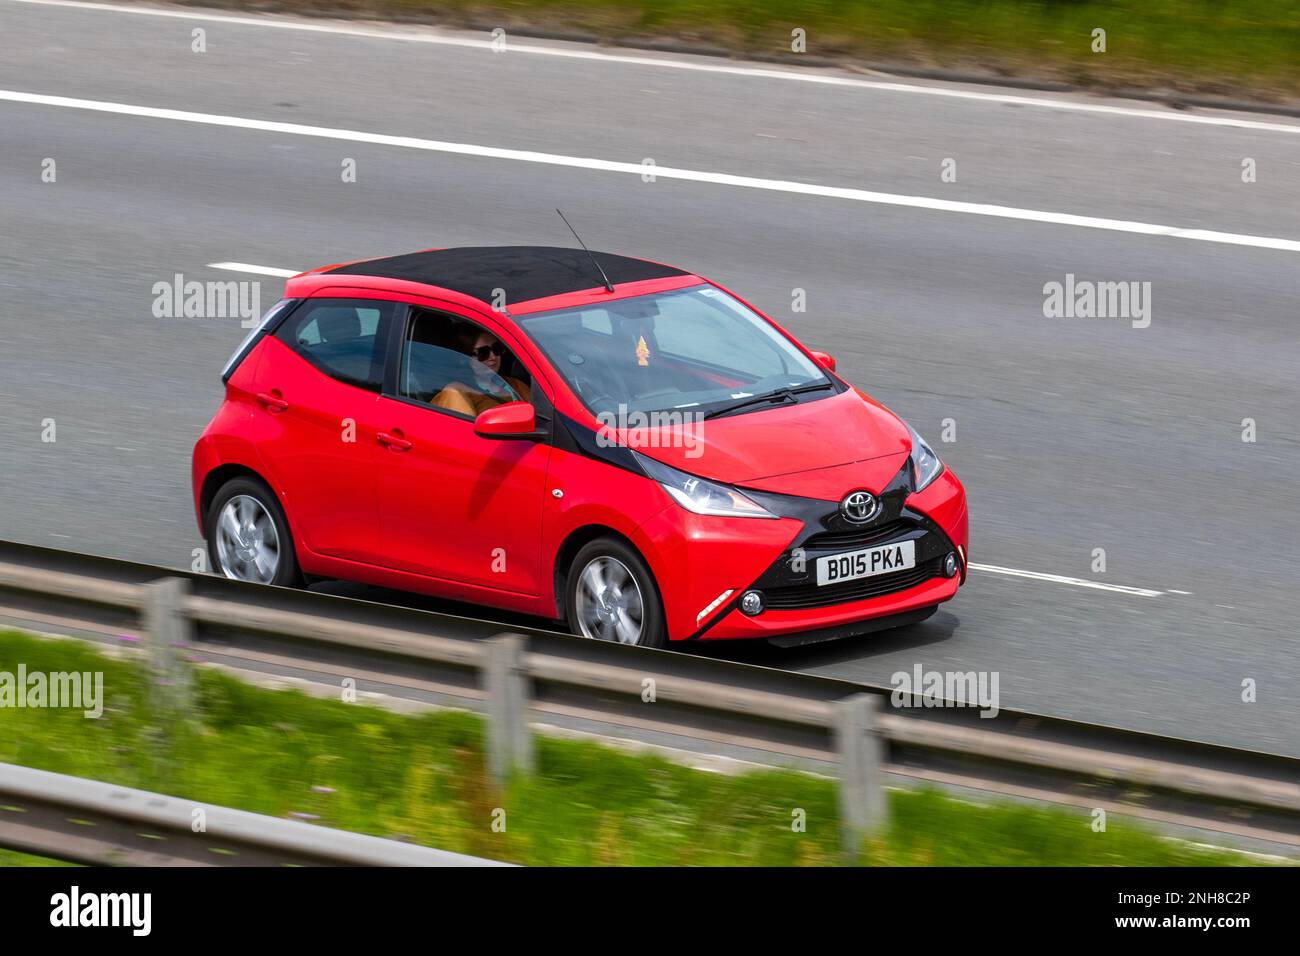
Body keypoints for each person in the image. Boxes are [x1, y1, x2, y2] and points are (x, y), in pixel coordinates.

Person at [431, 326, 531, 416]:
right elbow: (465, 432)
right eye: (483, 353)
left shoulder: (516, 384)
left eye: (497, 348)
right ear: (463, 358)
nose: (493, 357)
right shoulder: (455, 392)